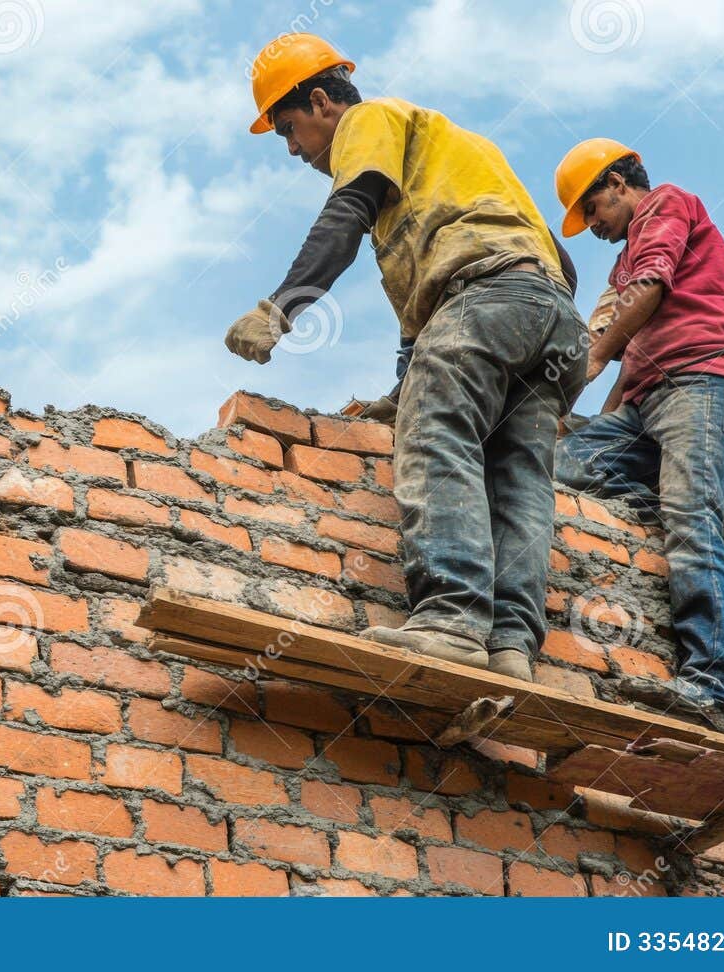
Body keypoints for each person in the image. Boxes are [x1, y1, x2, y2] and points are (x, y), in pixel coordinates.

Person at [224, 34, 587, 681]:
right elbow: (553, 267)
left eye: (288, 130)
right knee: (518, 477)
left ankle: (452, 618)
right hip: (552, 319)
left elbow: (347, 211)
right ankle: (510, 646)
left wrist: (278, 310)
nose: (292, 150)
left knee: (435, 434)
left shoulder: (369, 121)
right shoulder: (459, 153)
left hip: (487, 297)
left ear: (319, 102)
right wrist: (406, 384)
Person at [551, 139, 724, 735]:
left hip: (705, 382)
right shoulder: (627, 261)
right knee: (563, 465)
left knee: (694, 520)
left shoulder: (667, 204)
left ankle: (712, 688)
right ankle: (651, 513)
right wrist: (592, 418)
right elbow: (633, 355)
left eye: (593, 208)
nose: (592, 225)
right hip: (649, 399)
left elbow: (650, 291)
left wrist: (591, 357)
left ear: (620, 183)